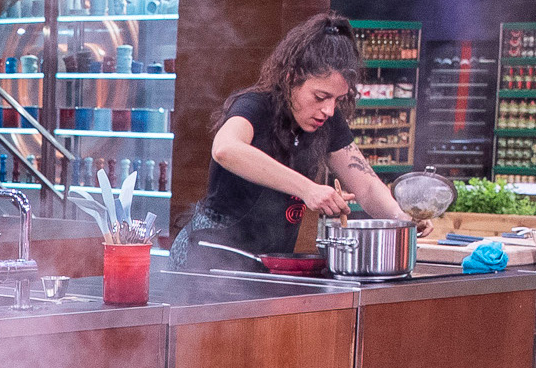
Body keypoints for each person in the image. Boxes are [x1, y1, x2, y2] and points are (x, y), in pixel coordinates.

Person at [170, 13, 402, 269]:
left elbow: (367, 186)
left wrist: (402, 219)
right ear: (292, 78)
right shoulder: (256, 105)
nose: (329, 110)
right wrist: (307, 189)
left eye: (338, 99)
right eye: (320, 96)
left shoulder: (328, 121)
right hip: (209, 256)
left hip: (270, 263)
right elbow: (226, 149)